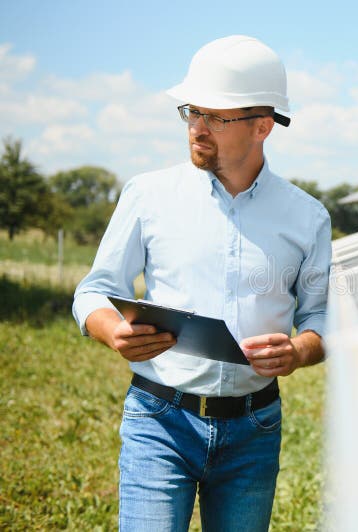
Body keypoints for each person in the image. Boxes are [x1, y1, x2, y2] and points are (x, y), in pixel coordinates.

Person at [72, 35, 331, 531]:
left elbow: (320, 317)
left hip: (254, 430)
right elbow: (93, 289)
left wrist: (299, 351)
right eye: (192, 111)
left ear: (263, 125)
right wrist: (112, 330)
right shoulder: (148, 195)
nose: (196, 127)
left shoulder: (308, 219)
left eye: (215, 116)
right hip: (159, 422)